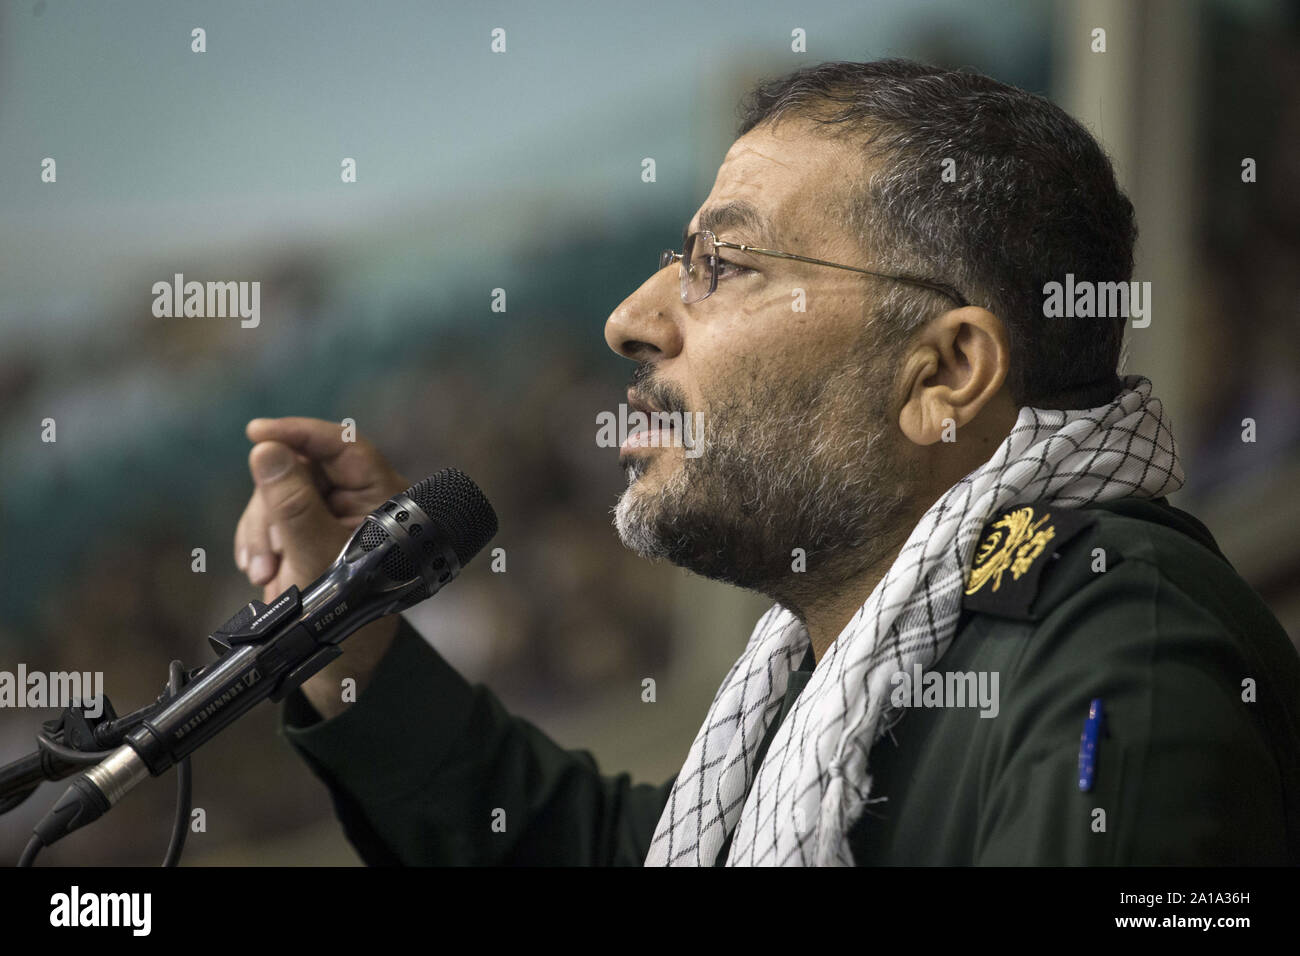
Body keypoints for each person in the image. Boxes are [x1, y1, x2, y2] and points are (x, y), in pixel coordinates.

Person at [232, 60, 1300, 865]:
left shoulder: (1122, 652)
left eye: (722, 265)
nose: (631, 320)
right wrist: (351, 629)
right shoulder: (846, 690)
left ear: (945, 372)